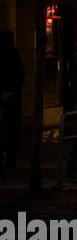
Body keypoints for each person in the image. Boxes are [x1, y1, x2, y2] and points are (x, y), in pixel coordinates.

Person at [0, 30, 23, 171]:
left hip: (10, 95)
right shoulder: (14, 54)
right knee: (12, 128)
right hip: (13, 96)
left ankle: (9, 156)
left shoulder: (8, 54)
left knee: (9, 127)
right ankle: (11, 157)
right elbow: (20, 77)